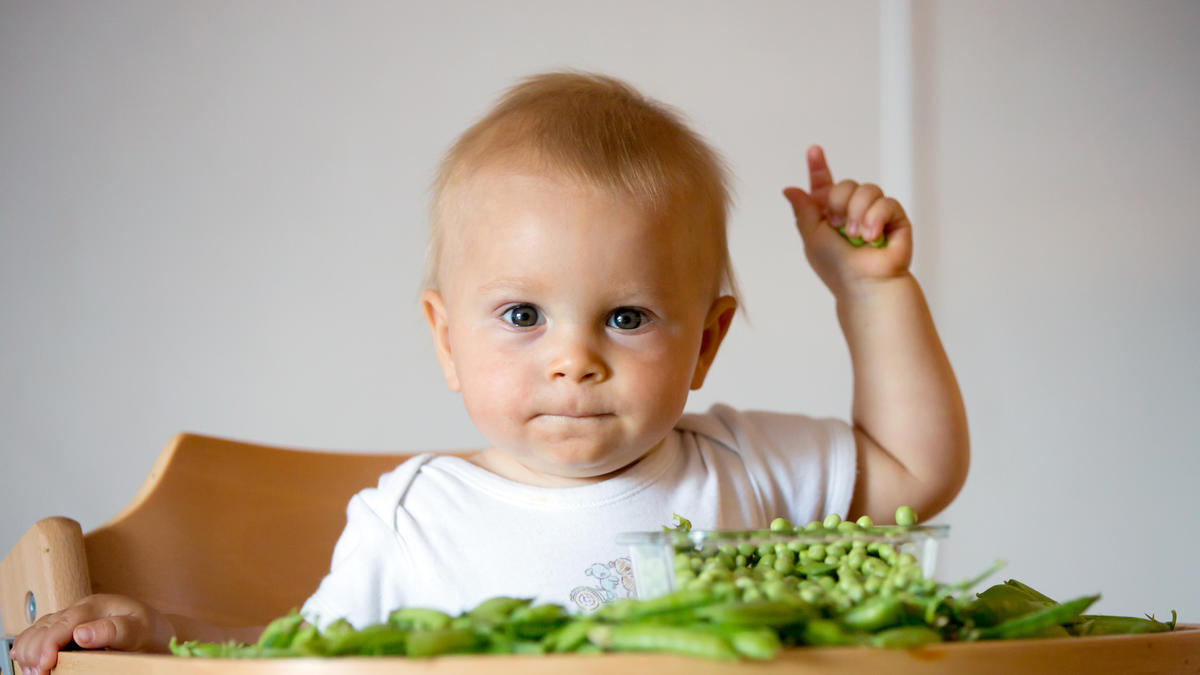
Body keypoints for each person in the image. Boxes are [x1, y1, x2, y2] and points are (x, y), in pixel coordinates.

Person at [10, 71, 969, 673]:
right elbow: (299, 657)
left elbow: (914, 471)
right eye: (521, 315)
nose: (574, 357)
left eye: (627, 317)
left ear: (706, 344)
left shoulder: (740, 466)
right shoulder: (414, 519)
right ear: (445, 339)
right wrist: (159, 637)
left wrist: (871, 293)